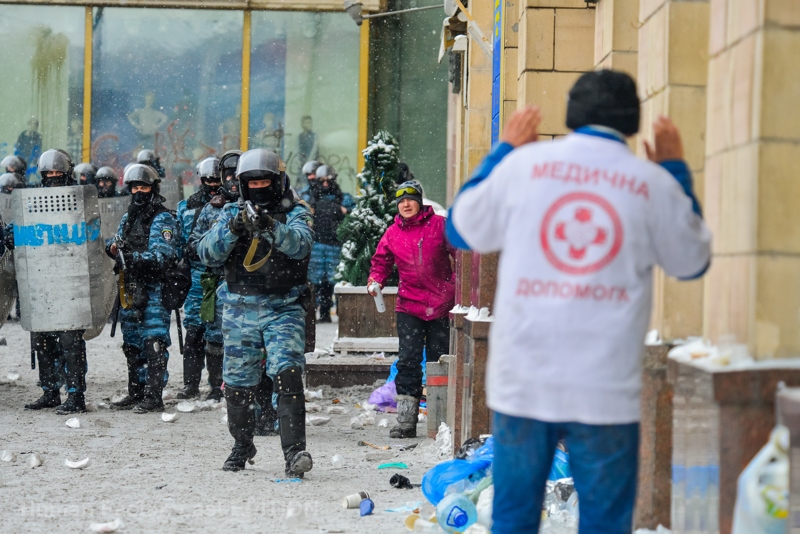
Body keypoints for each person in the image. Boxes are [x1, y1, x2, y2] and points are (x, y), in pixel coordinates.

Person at [446, 71, 713, 533]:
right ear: (632, 121)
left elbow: (461, 228)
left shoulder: (525, 167)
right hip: (605, 387)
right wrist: (675, 170)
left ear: (571, 114)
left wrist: (504, 149)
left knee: (513, 516)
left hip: (525, 378)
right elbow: (691, 260)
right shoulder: (649, 183)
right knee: (606, 521)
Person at [196, 148, 314, 477]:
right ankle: (242, 444)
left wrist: (269, 227)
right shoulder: (230, 212)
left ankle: (294, 452)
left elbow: (301, 245)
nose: (260, 187)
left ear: (276, 182)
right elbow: (207, 252)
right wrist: (233, 228)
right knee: (236, 384)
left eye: (265, 181)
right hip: (239, 307)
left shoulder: (296, 211)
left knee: (288, 374)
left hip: (283, 306)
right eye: (254, 182)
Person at [367, 179, 455, 438]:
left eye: (411, 199)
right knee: (408, 361)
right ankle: (406, 422)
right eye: (401, 200)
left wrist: (460, 289)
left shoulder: (440, 225)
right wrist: (375, 280)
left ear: (420, 201)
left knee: (440, 360)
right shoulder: (393, 232)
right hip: (409, 307)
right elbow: (380, 261)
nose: (406, 204)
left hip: (442, 305)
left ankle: (442, 419)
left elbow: (461, 255)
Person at [4, 149, 88, 413]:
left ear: (67, 174)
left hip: (70, 281)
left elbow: (90, 236)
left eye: (57, 173)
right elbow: (15, 230)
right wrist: (8, 235)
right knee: (42, 339)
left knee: (70, 342)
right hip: (40, 282)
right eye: (48, 173)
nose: (53, 177)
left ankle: (75, 396)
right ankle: (49, 391)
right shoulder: (32, 200)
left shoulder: (80, 201)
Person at [106, 164, 179, 414]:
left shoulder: (163, 218)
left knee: (154, 343)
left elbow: (164, 255)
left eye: (144, 187)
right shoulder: (129, 216)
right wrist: (113, 249)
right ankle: (135, 392)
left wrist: (135, 258)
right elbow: (118, 241)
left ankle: (153, 395)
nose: (139, 191)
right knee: (132, 344)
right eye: (135, 187)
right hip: (131, 289)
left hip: (154, 290)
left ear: (153, 189)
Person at [175, 156, 223, 401]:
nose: (213, 184)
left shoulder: (230, 204)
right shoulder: (186, 206)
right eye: (208, 180)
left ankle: (217, 387)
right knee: (194, 330)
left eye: (217, 179)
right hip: (195, 275)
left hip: (221, 276)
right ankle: (190, 384)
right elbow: (178, 240)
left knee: (217, 334)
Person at [307, 165, 354, 323]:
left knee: (335, 281)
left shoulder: (343, 197)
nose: (325, 184)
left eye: (329, 180)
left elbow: (353, 214)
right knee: (316, 282)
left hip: (335, 245)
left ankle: (339, 313)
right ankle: (319, 312)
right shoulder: (311, 197)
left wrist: (342, 211)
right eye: (322, 181)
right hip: (317, 245)